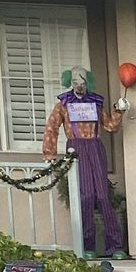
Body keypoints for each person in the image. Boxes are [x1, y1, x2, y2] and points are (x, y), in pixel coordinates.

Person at [42, 68, 127, 258]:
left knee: (103, 196)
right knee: (86, 196)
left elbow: (110, 126)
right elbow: (51, 128)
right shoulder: (63, 104)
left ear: (87, 82)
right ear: (69, 83)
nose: (79, 86)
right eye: (75, 82)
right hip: (76, 148)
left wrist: (118, 110)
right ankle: (87, 247)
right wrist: (49, 154)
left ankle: (116, 246)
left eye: (82, 82)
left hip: (95, 147)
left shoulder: (95, 102)